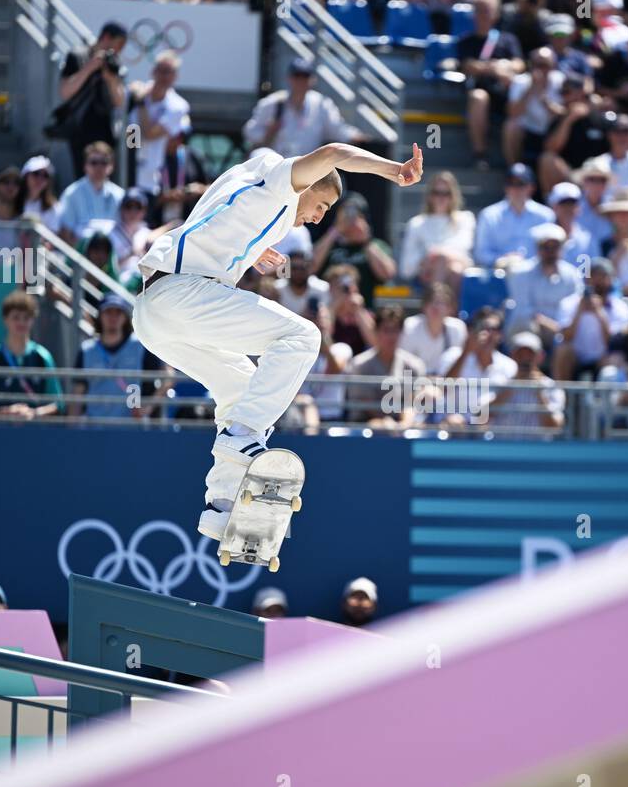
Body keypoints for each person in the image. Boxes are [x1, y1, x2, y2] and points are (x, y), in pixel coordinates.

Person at [131, 141, 423, 546]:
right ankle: (243, 436)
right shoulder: (281, 181)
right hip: (182, 295)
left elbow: (222, 212)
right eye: (321, 207)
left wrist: (249, 248)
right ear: (306, 186)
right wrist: (393, 170)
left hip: (152, 315)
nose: (319, 220)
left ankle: (222, 504)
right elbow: (335, 152)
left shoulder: (257, 184)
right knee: (303, 336)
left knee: (240, 385)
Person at [242, 57, 362, 159]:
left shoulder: (321, 104)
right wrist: (268, 131)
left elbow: (337, 130)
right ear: (289, 78)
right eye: (297, 76)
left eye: (305, 76)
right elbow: (250, 132)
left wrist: (356, 136)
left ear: (312, 80)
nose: (300, 81)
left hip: (306, 168)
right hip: (276, 167)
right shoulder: (273, 102)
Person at [457, 0, 524, 169]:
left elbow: (519, 64)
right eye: (480, 10)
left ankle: (515, 168)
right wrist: (494, 68)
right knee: (479, 97)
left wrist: (505, 67)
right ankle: (480, 154)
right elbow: (467, 65)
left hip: (507, 94)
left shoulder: (508, 40)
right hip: (482, 92)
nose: (483, 15)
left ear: (496, 14)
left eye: (487, 10)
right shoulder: (466, 41)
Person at [0, 290, 64, 419]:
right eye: (15, 317)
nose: (21, 323)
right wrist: (7, 413)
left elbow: (58, 404)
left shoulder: (43, 357)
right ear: (5, 319)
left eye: (26, 318)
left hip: (34, 434)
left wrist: (34, 413)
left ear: (33, 320)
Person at [72, 293, 165, 420]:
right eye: (108, 312)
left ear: (126, 317)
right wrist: (73, 425)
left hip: (131, 428)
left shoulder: (140, 345)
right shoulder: (87, 350)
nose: (113, 317)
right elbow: (78, 392)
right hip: (93, 426)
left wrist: (148, 408)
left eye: (118, 313)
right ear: (100, 316)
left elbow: (168, 377)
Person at [57, 22, 127, 174]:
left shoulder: (114, 63)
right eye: (119, 44)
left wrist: (110, 78)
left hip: (105, 131)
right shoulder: (78, 55)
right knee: (82, 175)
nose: (120, 50)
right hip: (79, 128)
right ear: (107, 37)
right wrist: (90, 67)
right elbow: (65, 92)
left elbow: (120, 102)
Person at [343, 306, 426, 428]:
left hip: (402, 425)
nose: (391, 336)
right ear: (376, 331)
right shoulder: (359, 365)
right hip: (365, 425)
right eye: (386, 330)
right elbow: (365, 404)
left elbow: (413, 402)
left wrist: (404, 424)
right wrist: (387, 423)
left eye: (395, 330)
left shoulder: (414, 365)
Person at [309, 192, 397, 305]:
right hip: (330, 307)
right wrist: (335, 231)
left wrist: (366, 241)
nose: (351, 219)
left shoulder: (375, 245)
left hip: (362, 308)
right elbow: (311, 267)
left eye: (356, 215)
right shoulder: (329, 243)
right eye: (346, 214)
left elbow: (388, 274)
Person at [554, 256, 628, 380]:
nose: (598, 281)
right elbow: (566, 337)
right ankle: (563, 397)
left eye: (603, 276)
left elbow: (613, 342)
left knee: (616, 358)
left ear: (611, 280)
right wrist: (579, 310)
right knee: (563, 351)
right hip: (576, 359)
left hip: (603, 360)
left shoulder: (621, 308)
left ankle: (608, 399)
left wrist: (599, 312)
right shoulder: (569, 303)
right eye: (594, 276)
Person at [128, 50, 191, 196]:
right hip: (127, 167)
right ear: (153, 71)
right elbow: (130, 131)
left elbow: (150, 134)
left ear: (175, 76)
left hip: (149, 178)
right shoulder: (138, 90)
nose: (164, 76)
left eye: (169, 72)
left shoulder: (178, 105)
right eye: (161, 71)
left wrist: (141, 103)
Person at [398, 170, 476, 289]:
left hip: (459, 268)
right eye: (436, 193)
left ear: (453, 195)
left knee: (454, 268)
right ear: (429, 195)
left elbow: (464, 248)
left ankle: (438, 302)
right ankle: (442, 303)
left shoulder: (465, 218)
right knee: (445, 263)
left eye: (446, 193)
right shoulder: (416, 223)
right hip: (426, 274)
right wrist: (428, 260)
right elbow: (407, 268)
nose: (441, 198)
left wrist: (438, 253)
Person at [473, 162, 555, 269]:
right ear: (505, 187)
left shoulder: (546, 215)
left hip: (536, 274)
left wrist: (526, 263)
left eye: (521, 184)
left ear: (532, 187)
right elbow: (480, 253)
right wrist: (501, 260)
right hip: (499, 274)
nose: (516, 189)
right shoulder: (489, 215)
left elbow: (552, 249)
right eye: (511, 184)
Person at [488, 330, 565, 431]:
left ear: (540, 357)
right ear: (513, 355)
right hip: (503, 445)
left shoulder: (552, 387)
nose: (525, 358)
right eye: (520, 354)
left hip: (537, 446)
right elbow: (482, 417)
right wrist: (511, 386)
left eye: (530, 355)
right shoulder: (499, 381)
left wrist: (539, 393)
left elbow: (555, 426)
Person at [57, 141, 124, 244]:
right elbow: (65, 233)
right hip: (80, 255)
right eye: (94, 162)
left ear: (111, 167)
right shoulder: (71, 194)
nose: (99, 167)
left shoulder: (120, 195)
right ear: (85, 166)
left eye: (104, 163)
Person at [399, 283, 467, 374]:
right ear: (424, 306)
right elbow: (403, 364)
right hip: (414, 384)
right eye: (431, 301)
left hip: (447, 384)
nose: (435, 306)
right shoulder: (410, 326)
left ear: (450, 308)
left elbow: (461, 364)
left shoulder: (458, 328)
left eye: (441, 302)